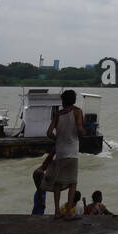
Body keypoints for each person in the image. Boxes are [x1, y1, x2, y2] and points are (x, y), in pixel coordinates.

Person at [43, 90, 84, 220]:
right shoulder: (77, 111)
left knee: (58, 183)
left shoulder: (58, 114)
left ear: (63, 101)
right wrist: (82, 130)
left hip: (60, 152)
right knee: (72, 183)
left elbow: (49, 132)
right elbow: (80, 130)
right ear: (74, 100)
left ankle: (56, 211)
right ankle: (68, 213)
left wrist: (57, 139)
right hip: (72, 153)